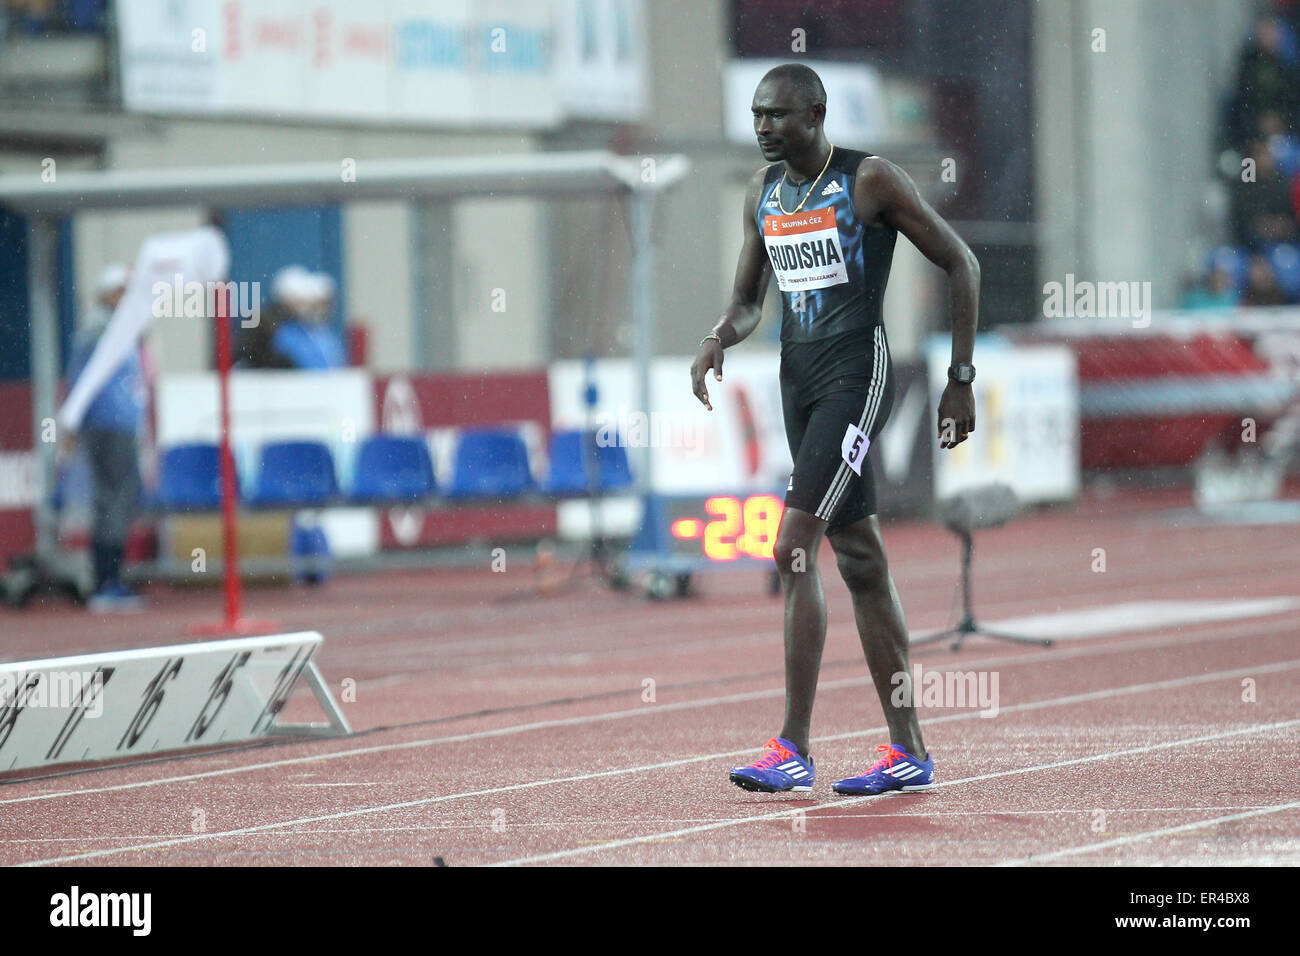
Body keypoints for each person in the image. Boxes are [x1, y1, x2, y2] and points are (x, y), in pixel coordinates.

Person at [690, 63, 978, 796]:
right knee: (861, 560)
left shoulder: (869, 181)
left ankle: (791, 746)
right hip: (799, 382)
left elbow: (961, 261)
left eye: (776, 116)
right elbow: (748, 299)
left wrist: (960, 380)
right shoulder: (764, 193)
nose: (762, 128)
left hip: (857, 375)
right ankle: (909, 749)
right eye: (756, 116)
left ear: (815, 114)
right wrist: (720, 334)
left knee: (791, 547)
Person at [64, 264, 147, 611]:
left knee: (118, 501)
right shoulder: (100, 332)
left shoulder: (119, 330)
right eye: (122, 291)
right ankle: (106, 581)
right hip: (108, 425)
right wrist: (72, 422)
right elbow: (82, 379)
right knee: (112, 501)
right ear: (108, 294)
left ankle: (109, 578)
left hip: (119, 424)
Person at [268, 270, 346, 369]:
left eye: (326, 304)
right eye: (315, 304)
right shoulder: (286, 334)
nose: (321, 310)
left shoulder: (327, 335)